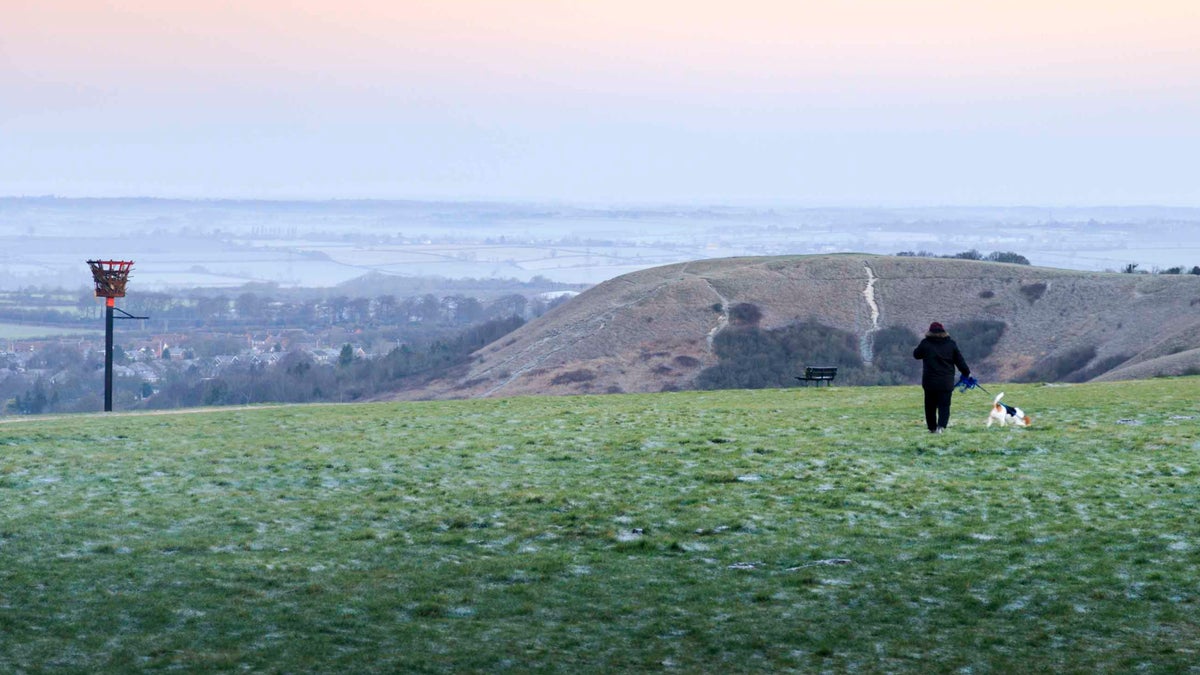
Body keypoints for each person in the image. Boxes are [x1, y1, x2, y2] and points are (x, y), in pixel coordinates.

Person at [913, 321, 971, 433]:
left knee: (930, 406)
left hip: (930, 382)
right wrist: (966, 373)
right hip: (946, 382)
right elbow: (960, 361)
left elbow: (916, 355)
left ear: (930, 332)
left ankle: (932, 428)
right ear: (944, 331)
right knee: (944, 405)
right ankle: (941, 427)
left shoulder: (925, 343)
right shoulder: (951, 344)